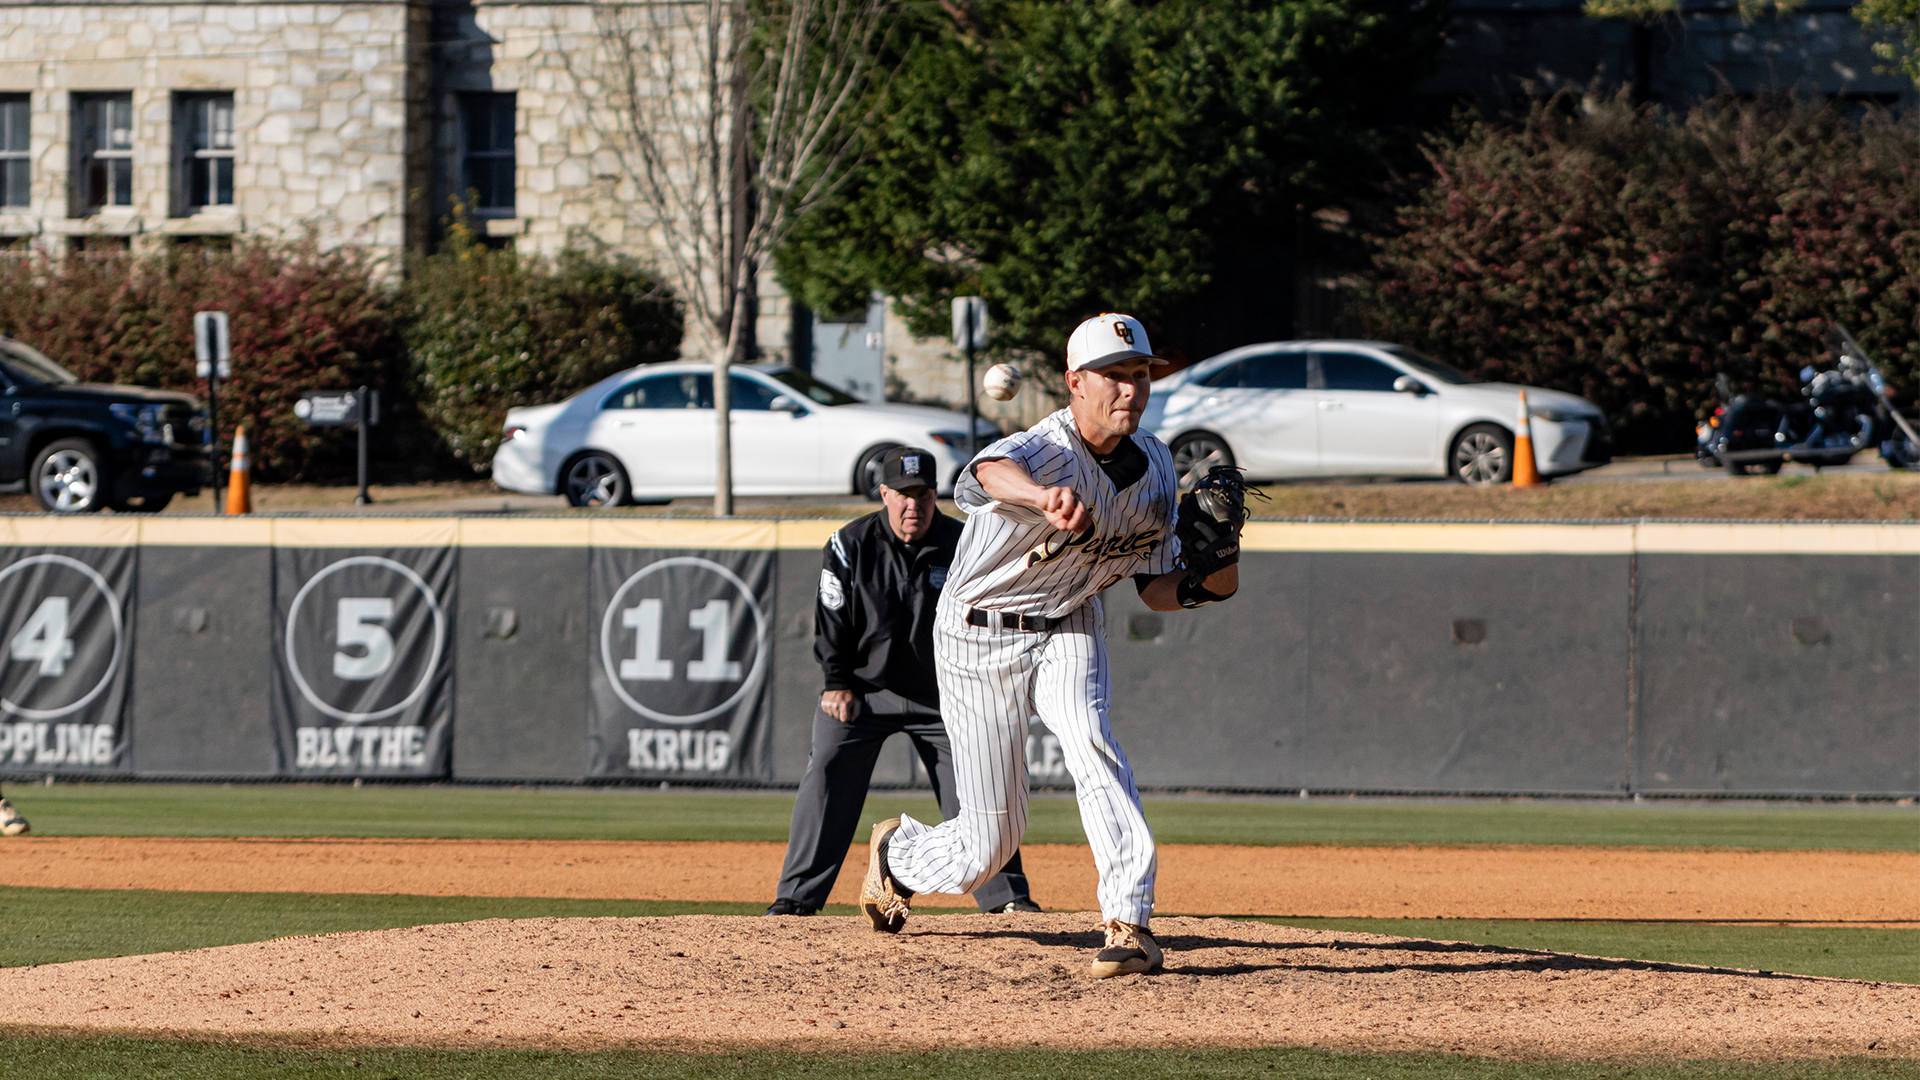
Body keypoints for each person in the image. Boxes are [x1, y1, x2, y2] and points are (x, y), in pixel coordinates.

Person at [859, 312, 1244, 979]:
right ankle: (898, 855)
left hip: (1070, 619)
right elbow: (979, 476)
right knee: (988, 845)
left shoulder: (1155, 466)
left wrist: (1218, 575)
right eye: (1114, 376)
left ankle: (1128, 920)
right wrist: (1041, 497)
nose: (1131, 389)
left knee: (1092, 742)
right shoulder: (1049, 449)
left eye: (1140, 375)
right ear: (1075, 384)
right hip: (980, 631)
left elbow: (1156, 590)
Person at [765, 446, 1040, 917]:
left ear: (936, 495)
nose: (913, 505)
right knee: (827, 771)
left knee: (982, 787)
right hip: (863, 694)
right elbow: (831, 616)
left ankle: (1007, 898)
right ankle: (795, 900)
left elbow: (995, 613)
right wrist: (837, 682)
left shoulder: (963, 542)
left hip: (944, 695)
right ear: (885, 493)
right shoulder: (851, 543)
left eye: (923, 494)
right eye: (903, 494)